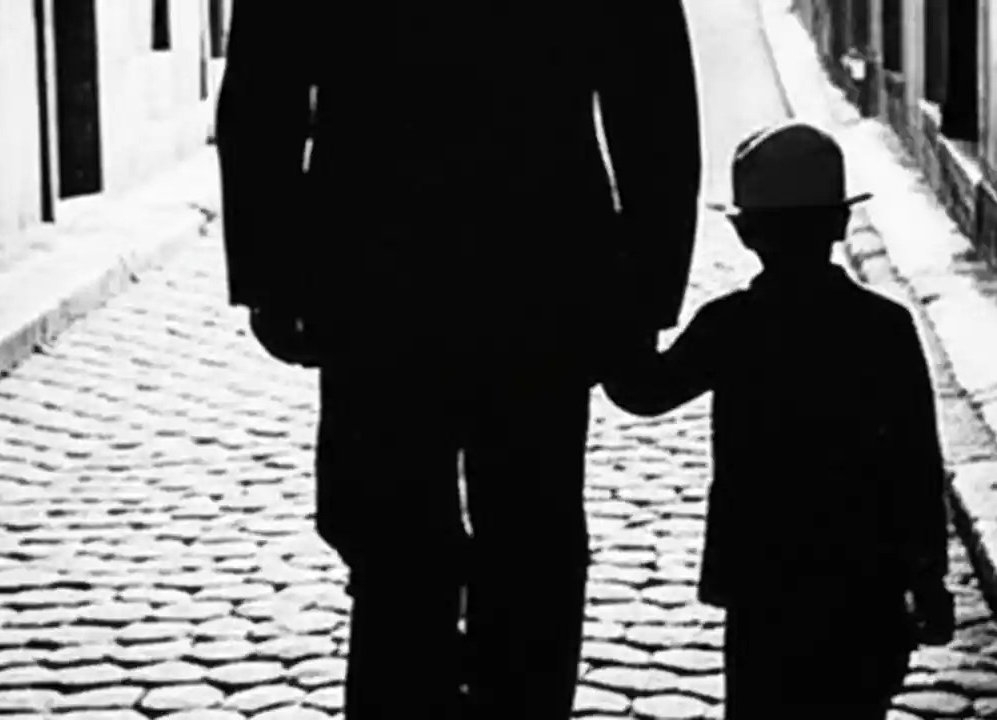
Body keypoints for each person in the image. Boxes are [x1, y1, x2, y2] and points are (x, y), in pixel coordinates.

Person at [214, 3, 702, 718]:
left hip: (380, 267)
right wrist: (646, 291)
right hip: (535, 261)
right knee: (519, 536)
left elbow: (266, 80)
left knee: (405, 544)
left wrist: (270, 274)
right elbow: (652, 91)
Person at [603, 119, 955, 719]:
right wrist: (927, 579)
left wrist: (620, 301)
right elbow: (918, 464)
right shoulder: (885, 329)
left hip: (763, 585)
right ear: (841, 223)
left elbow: (643, 392)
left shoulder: (730, 326)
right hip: (863, 586)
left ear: (745, 233)